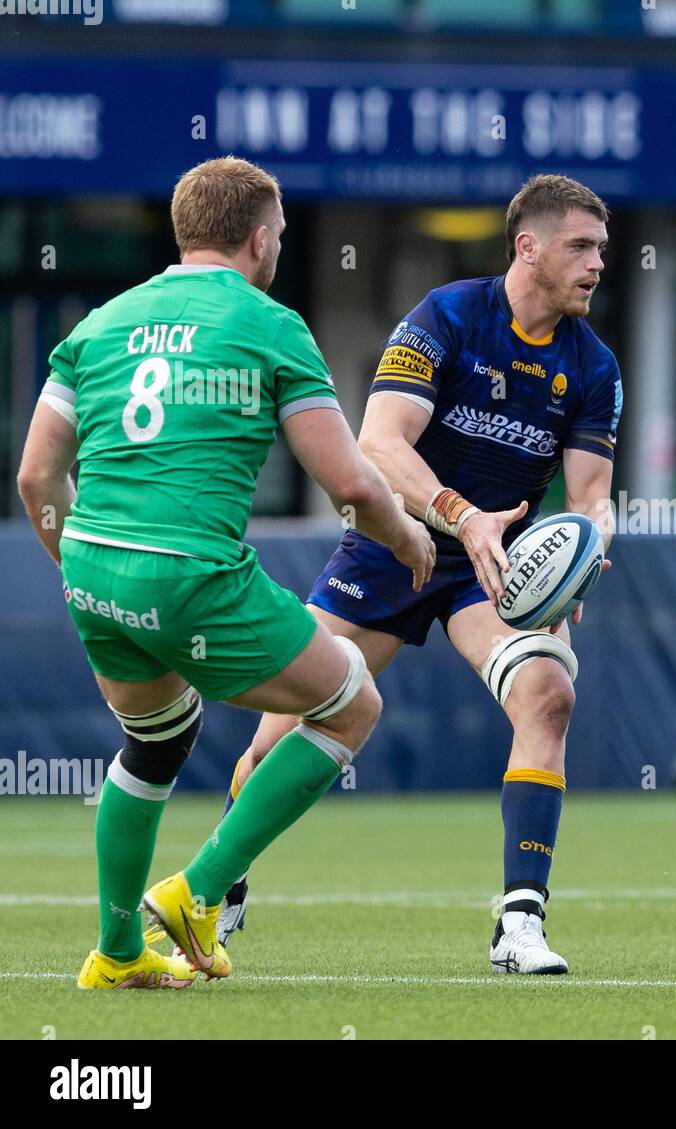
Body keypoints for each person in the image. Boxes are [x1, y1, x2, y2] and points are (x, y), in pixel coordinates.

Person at [16, 157, 434, 990]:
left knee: (155, 738)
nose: (278, 245)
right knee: (351, 703)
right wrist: (408, 538)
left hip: (92, 564)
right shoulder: (270, 324)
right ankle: (200, 889)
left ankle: (118, 952)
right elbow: (349, 481)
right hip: (191, 573)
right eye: (278, 232)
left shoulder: (100, 321)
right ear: (257, 237)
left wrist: (87, 569)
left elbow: (35, 476)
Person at [221, 174, 621, 975]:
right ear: (527, 247)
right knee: (275, 746)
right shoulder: (445, 315)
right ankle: (218, 884)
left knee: (549, 693)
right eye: (581, 246)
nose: (597, 264)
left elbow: (592, 500)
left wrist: (582, 554)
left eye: (604, 250)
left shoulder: (595, 366)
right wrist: (461, 513)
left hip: (493, 567)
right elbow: (378, 441)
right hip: (396, 542)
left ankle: (519, 925)